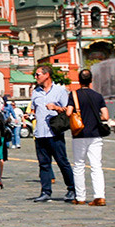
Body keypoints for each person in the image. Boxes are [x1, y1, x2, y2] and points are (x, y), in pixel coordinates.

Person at [31, 65, 75, 203]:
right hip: (40, 133)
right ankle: (45, 191)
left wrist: (56, 108)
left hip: (54, 133)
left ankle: (72, 189)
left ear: (47, 75)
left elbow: (68, 110)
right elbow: (34, 110)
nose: (36, 77)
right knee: (44, 164)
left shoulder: (60, 91)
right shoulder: (35, 92)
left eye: (38, 74)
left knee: (62, 162)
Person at [69, 69, 109, 206]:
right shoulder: (98, 96)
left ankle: (80, 197)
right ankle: (100, 196)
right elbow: (105, 116)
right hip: (95, 134)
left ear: (79, 80)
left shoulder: (74, 95)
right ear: (91, 80)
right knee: (96, 166)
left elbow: (69, 112)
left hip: (79, 134)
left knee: (79, 165)